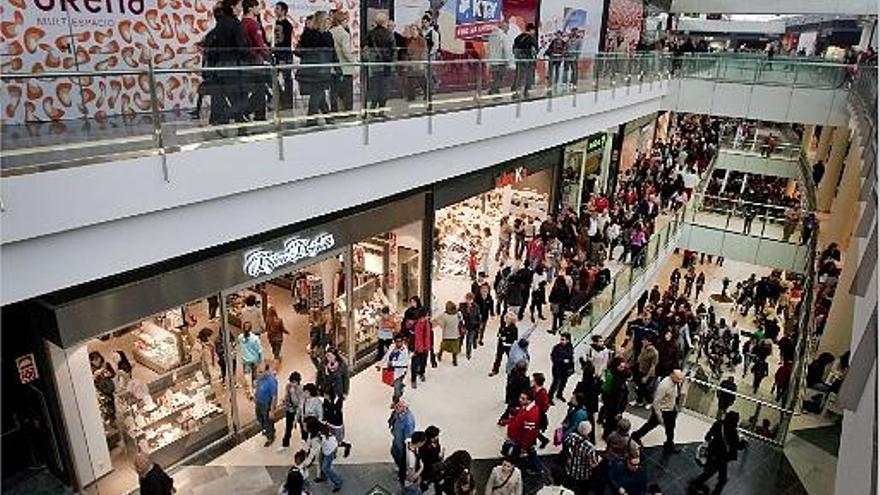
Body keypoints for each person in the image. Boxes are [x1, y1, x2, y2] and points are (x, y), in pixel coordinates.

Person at [205, 0, 248, 125]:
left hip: (219, 66)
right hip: (233, 65)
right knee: (238, 97)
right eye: (239, 5)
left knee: (221, 94)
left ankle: (218, 119)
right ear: (233, 7)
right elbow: (241, 46)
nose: (241, 8)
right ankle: (240, 123)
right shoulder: (235, 23)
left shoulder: (220, 24)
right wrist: (251, 57)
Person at [690, 411, 746, 495]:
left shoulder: (719, 423)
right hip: (723, 454)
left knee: (721, 466)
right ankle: (698, 481)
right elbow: (737, 446)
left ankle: (722, 478)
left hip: (713, 449)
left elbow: (709, 434)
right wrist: (744, 443)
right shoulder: (733, 431)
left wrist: (707, 441)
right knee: (714, 469)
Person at [631, 369, 685, 454]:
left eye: (681, 379)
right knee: (650, 425)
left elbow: (674, 396)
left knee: (670, 428)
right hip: (662, 410)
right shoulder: (664, 386)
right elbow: (656, 403)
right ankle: (636, 435)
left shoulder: (676, 383)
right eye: (678, 378)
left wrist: (675, 407)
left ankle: (669, 445)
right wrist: (660, 417)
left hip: (671, 409)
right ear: (672, 375)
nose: (680, 381)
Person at [296, 11, 336, 120]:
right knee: (317, 93)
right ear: (323, 21)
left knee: (318, 92)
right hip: (321, 70)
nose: (330, 21)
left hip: (308, 69)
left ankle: (328, 116)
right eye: (327, 19)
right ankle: (311, 119)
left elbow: (300, 50)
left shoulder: (307, 34)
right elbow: (332, 53)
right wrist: (337, 67)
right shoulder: (326, 36)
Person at [240, 0, 269, 121]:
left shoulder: (241, 23)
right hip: (256, 60)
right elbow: (260, 45)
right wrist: (268, 55)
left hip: (245, 61)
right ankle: (248, 111)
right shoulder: (253, 24)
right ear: (251, 8)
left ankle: (259, 114)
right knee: (260, 88)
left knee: (255, 88)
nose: (259, 10)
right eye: (257, 7)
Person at [505, 388, 543, 478]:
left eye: (523, 398)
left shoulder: (531, 414)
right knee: (517, 452)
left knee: (531, 453)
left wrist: (524, 446)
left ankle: (538, 468)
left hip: (522, 440)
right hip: (518, 438)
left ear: (529, 400)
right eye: (520, 397)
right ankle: (512, 464)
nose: (520, 400)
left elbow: (529, 433)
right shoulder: (526, 407)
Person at [364, 13, 395, 112]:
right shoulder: (389, 34)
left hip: (373, 65)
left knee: (375, 87)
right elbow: (393, 50)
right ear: (385, 22)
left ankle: (373, 107)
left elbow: (365, 47)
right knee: (384, 88)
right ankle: (381, 109)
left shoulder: (370, 33)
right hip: (386, 65)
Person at [329, 9, 355, 112]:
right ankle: (347, 111)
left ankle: (334, 110)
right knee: (347, 92)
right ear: (342, 20)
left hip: (333, 67)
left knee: (334, 91)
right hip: (345, 67)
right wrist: (354, 61)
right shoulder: (344, 34)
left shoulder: (330, 32)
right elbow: (346, 51)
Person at [563, 421, 598, 495]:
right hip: (583, 474)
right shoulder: (590, 447)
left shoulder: (571, 436)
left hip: (570, 469)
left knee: (571, 489)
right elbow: (593, 464)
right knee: (583, 490)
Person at [272, 1, 294, 109]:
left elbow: (285, 41)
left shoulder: (287, 25)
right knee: (274, 78)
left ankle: (288, 102)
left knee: (287, 78)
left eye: (278, 9)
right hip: (277, 54)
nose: (275, 10)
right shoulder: (276, 23)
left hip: (285, 54)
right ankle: (281, 99)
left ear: (283, 11)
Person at [390, 398, 417, 485]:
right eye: (397, 405)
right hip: (396, 439)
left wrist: (407, 449)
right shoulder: (398, 413)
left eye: (400, 406)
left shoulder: (408, 421)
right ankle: (400, 467)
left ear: (405, 408)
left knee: (402, 459)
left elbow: (408, 438)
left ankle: (403, 472)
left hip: (402, 444)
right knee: (394, 452)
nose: (397, 407)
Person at [380, 334, 411, 404]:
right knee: (392, 383)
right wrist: (380, 364)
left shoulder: (404, 350)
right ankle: (401, 387)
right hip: (391, 371)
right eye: (397, 341)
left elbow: (405, 363)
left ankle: (395, 401)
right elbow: (386, 356)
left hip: (400, 372)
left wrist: (393, 363)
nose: (399, 343)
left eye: (400, 341)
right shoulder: (392, 347)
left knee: (396, 388)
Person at [322, 388, 352, 457]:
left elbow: (336, 411)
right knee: (332, 440)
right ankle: (333, 453)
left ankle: (347, 446)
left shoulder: (338, 401)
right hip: (329, 424)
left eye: (326, 395)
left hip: (337, 425)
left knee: (338, 442)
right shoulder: (326, 401)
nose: (324, 396)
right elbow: (325, 410)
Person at [254, 362, 278, 446]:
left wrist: (272, 410)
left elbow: (274, 396)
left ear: (266, 371)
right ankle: (267, 429)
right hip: (259, 402)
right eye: (258, 371)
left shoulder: (271, 381)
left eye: (261, 372)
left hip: (266, 404)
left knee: (268, 421)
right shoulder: (261, 378)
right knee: (259, 417)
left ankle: (270, 436)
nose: (258, 374)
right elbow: (258, 387)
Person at [511, 23, 537, 98]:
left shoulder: (518, 37)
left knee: (519, 74)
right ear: (531, 30)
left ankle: (516, 90)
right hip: (528, 59)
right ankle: (526, 91)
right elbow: (534, 50)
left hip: (518, 59)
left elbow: (514, 48)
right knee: (528, 75)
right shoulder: (531, 38)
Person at [487, 19, 512, 95]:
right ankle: (494, 91)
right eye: (507, 26)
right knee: (499, 78)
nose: (508, 28)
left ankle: (493, 90)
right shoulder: (503, 36)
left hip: (492, 60)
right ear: (504, 26)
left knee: (494, 77)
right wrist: (508, 60)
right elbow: (506, 49)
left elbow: (489, 48)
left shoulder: (491, 35)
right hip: (500, 60)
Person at [316, 423, 343, 492]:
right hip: (325, 449)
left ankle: (338, 482)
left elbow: (319, 443)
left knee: (326, 468)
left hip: (329, 452)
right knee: (321, 461)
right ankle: (323, 477)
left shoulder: (325, 438)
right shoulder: (322, 434)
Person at [490, 312, 519, 376]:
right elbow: (499, 333)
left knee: (511, 358)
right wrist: (500, 335)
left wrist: (506, 338)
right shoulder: (503, 326)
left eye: (507, 318)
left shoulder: (514, 328)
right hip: (501, 344)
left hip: (509, 346)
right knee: (498, 357)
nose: (505, 319)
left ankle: (514, 370)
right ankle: (495, 370)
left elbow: (515, 338)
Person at [238, 321, 263, 395]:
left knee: (247, 374)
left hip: (245, 359)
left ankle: (249, 390)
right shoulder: (255, 338)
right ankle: (255, 389)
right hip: (254, 359)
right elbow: (259, 350)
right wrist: (260, 359)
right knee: (255, 375)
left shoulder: (240, 337)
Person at [279, 371, 303, 450]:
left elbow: (299, 402)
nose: (292, 384)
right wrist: (285, 402)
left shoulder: (301, 389)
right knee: (288, 427)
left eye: (294, 382)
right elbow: (287, 397)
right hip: (290, 409)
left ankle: (305, 438)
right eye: (291, 382)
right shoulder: (288, 386)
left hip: (298, 410)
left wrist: (293, 393)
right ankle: (285, 444)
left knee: (302, 425)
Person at [548, 332, 575, 402]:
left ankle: (559, 394)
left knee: (563, 383)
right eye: (561, 339)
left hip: (565, 370)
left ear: (568, 340)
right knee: (555, 383)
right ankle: (550, 397)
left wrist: (572, 367)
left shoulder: (570, 348)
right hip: (557, 369)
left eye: (563, 339)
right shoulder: (557, 348)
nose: (561, 341)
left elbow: (571, 358)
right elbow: (553, 358)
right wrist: (563, 361)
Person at [411, 307, 433, 388]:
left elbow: (430, 335)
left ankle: (421, 373)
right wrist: (419, 348)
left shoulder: (427, 323)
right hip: (418, 348)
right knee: (415, 364)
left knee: (424, 362)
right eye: (426, 315)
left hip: (426, 347)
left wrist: (429, 346)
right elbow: (417, 338)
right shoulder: (417, 325)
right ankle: (413, 379)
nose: (427, 317)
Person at [435, 301, 462, 366]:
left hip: (447, 335)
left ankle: (439, 355)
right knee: (454, 349)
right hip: (456, 334)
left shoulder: (444, 315)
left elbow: (442, 324)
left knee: (443, 347)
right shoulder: (458, 314)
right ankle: (454, 360)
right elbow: (461, 321)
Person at [419, 426, 444, 494]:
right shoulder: (424, 446)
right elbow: (424, 458)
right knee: (427, 479)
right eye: (436, 436)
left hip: (435, 463)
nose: (437, 437)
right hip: (428, 466)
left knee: (437, 481)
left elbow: (437, 448)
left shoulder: (435, 441)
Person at [460, 293, 483, 360]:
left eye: (470, 299)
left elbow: (478, 317)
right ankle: (459, 348)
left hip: (473, 326)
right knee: (461, 338)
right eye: (467, 299)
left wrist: (478, 327)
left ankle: (468, 353)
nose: (469, 301)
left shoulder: (476, 307)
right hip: (464, 325)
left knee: (469, 340)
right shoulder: (461, 306)